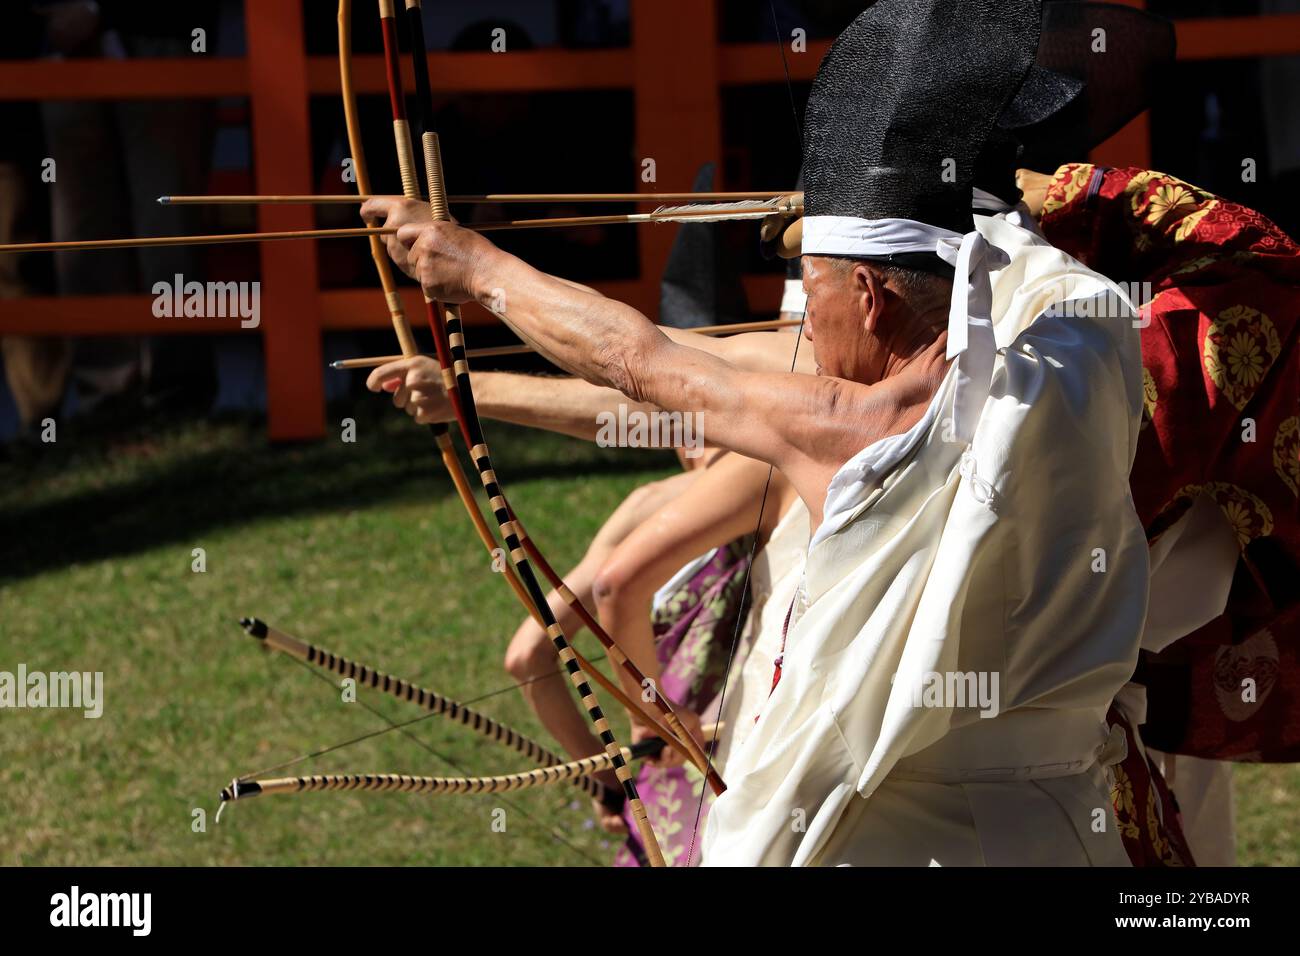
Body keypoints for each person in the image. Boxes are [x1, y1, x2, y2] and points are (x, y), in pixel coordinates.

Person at [363, 0, 1150, 866]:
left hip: (903, 840)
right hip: (1064, 828)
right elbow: (681, 370)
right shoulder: (1069, 362)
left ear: (873, 296)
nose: (806, 328)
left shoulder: (858, 424)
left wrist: (478, 268)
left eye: (812, 294)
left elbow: (639, 361)